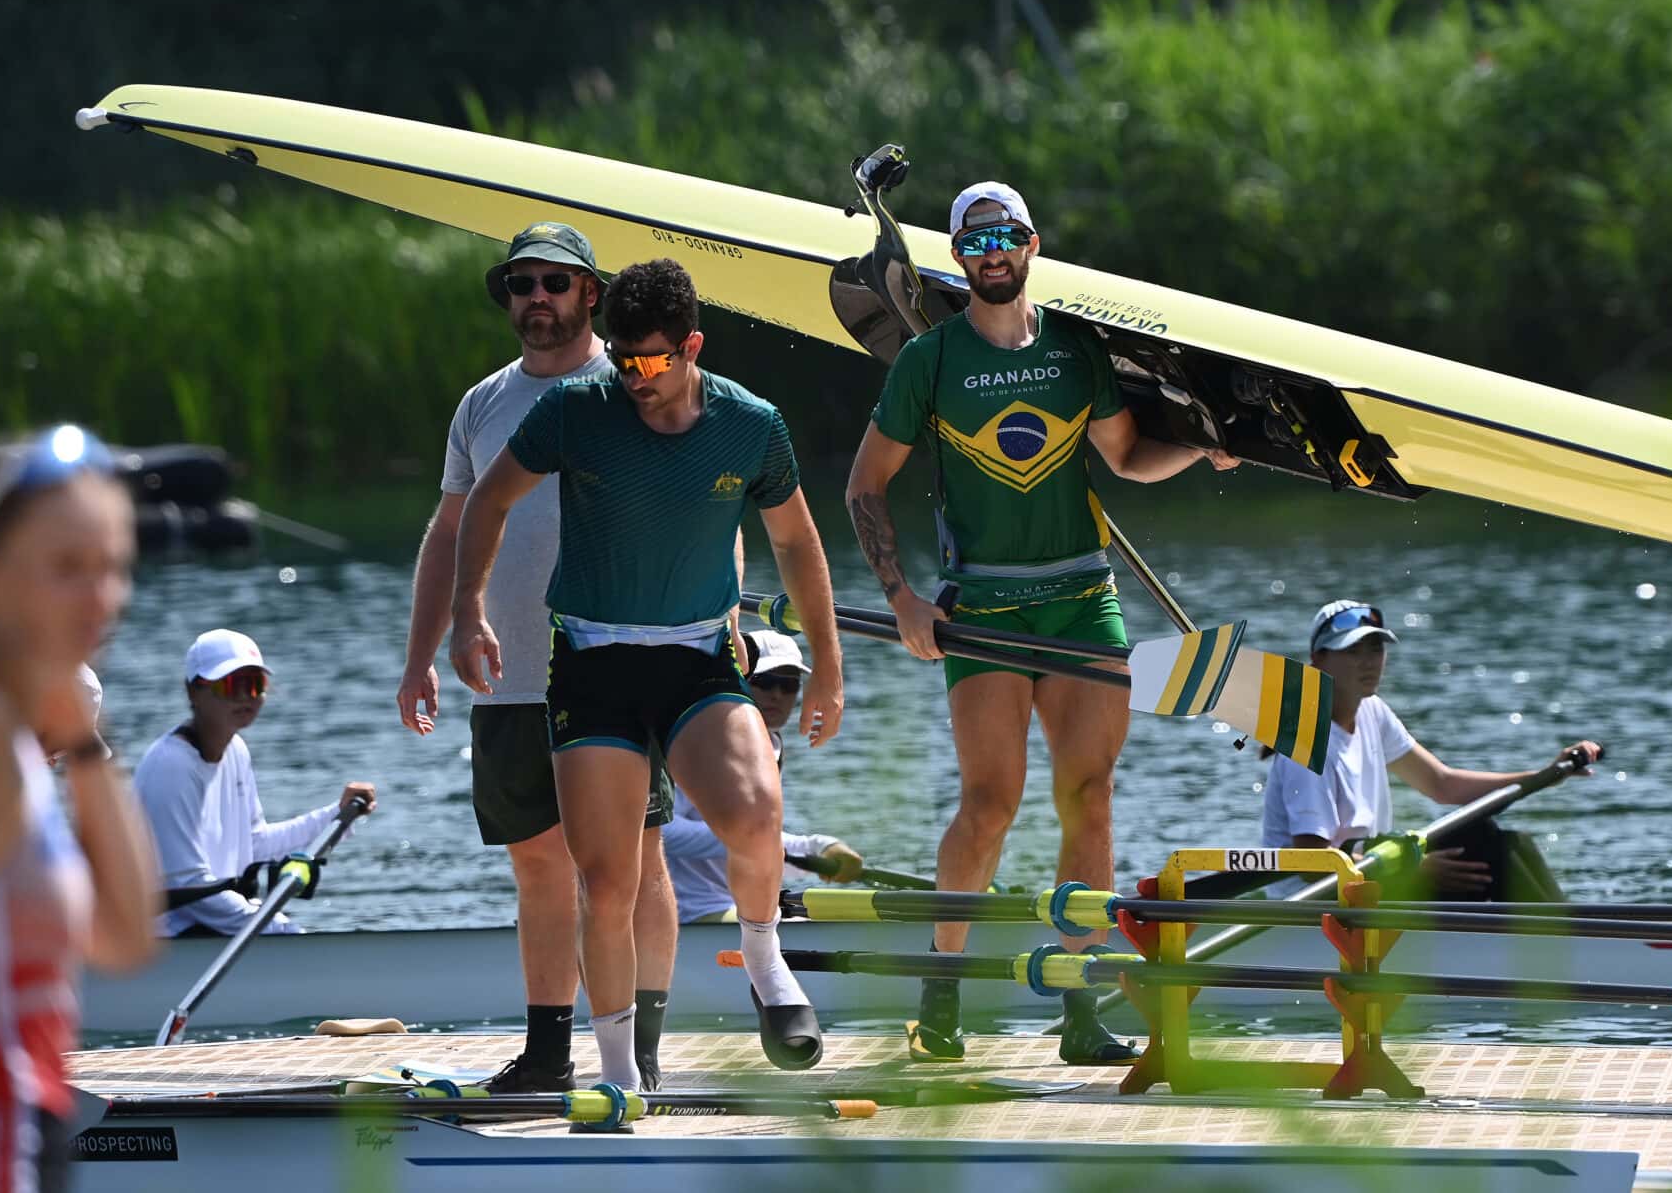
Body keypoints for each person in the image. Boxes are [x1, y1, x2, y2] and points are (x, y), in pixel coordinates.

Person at [844, 181, 1238, 1064]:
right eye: (976, 243)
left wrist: (1203, 448)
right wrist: (902, 595)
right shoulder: (930, 361)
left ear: (1030, 245)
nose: (993, 254)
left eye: (1006, 239)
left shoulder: (1074, 350)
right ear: (958, 257)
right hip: (980, 606)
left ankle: (1079, 1007)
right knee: (991, 803)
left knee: (1088, 799)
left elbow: (1128, 457)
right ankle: (940, 993)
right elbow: (864, 484)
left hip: (1079, 599)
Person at [452, 258, 844, 1086]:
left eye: (655, 360)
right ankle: (621, 1074)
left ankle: (768, 966)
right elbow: (486, 502)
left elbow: (799, 543)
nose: (635, 378)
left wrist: (831, 668)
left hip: (696, 660)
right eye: (623, 358)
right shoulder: (574, 410)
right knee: (609, 879)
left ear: (693, 345)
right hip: (593, 665)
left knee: (756, 811)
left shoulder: (752, 423)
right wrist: (466, 609)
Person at [397, 222, 683, 1094]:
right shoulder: (483, 404)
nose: (537, 298)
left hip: (620, 665)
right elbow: (448, 533)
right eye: (521, 283)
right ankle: (550, 1052)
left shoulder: (634, 384)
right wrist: (422, 655)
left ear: (590, 293)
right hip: (507, 676)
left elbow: (703, 509)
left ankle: (642, 1050)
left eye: (555, 282)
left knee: (633, 862)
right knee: (537, 864)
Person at [0, 426, 156, 1193]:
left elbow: (123, 936)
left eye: (113, 567)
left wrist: (84, 743)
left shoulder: (22, 728)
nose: (101, 596)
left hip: (27, 1134)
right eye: (67, 568)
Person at [1261, 600, 1597, 901]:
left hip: (1366, 872)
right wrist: (1412, 871)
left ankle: (1572, 936)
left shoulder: (1372, 712)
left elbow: (1442, 783)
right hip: (1316, 903)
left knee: (1503, 840)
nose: (1368, 662)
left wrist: (1544, 777)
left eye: (1375, 648)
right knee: (1488, 848)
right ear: (1319, 660)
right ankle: (1576, 947)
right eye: (1352, 651)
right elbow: (1311, 863)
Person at [133, 629, 377, 937]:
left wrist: (336, 817)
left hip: (213, 930)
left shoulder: (236, 750)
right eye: (230, 684)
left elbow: (257, 846)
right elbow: (190, 889)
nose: (243, 697)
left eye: (253, 685)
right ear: (192, 692)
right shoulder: (170, 766)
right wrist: (282, 931)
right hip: (167, 942)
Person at [665, 630, 866, 924]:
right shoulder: (697, 743)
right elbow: (660, 833)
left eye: (788, 686)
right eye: (764, 682)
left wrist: (819, 847)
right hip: (683, 911)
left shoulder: (769, 747)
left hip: (733, 903)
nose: (777, 695)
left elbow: (762, 843)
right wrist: (746, 839)